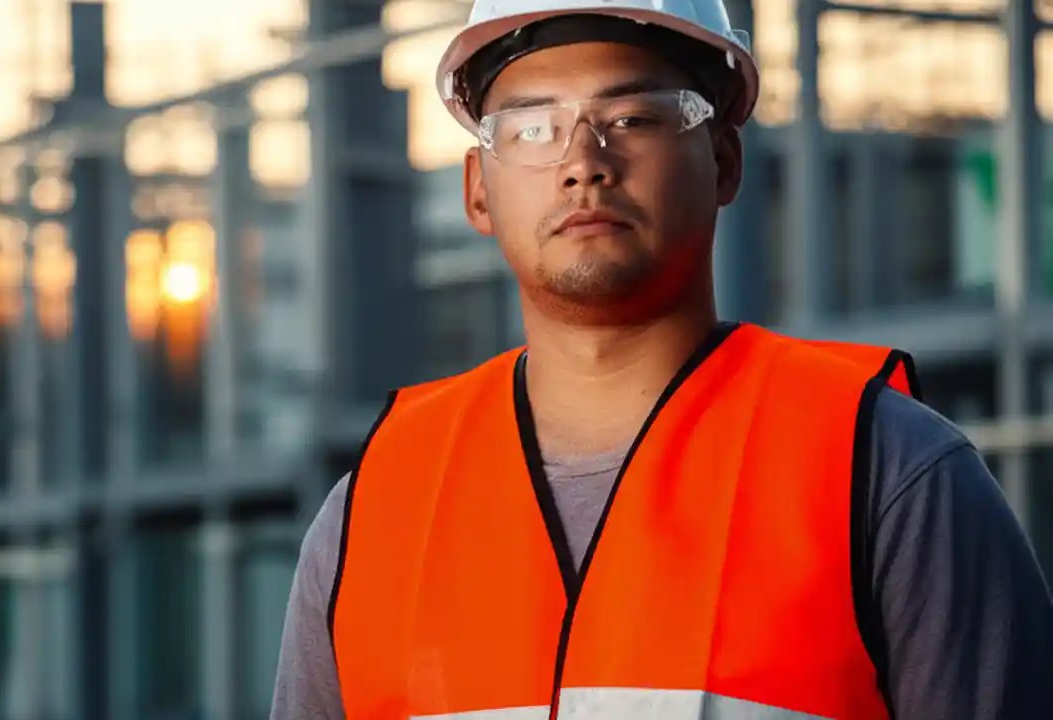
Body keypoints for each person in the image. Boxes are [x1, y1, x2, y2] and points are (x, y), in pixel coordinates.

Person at [271, 1, 1053, 717]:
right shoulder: (373, 511)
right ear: (479, 189)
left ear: (723, 161)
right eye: (533, 127)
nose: (584, 162)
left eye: (635, 116)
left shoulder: (885, 471)